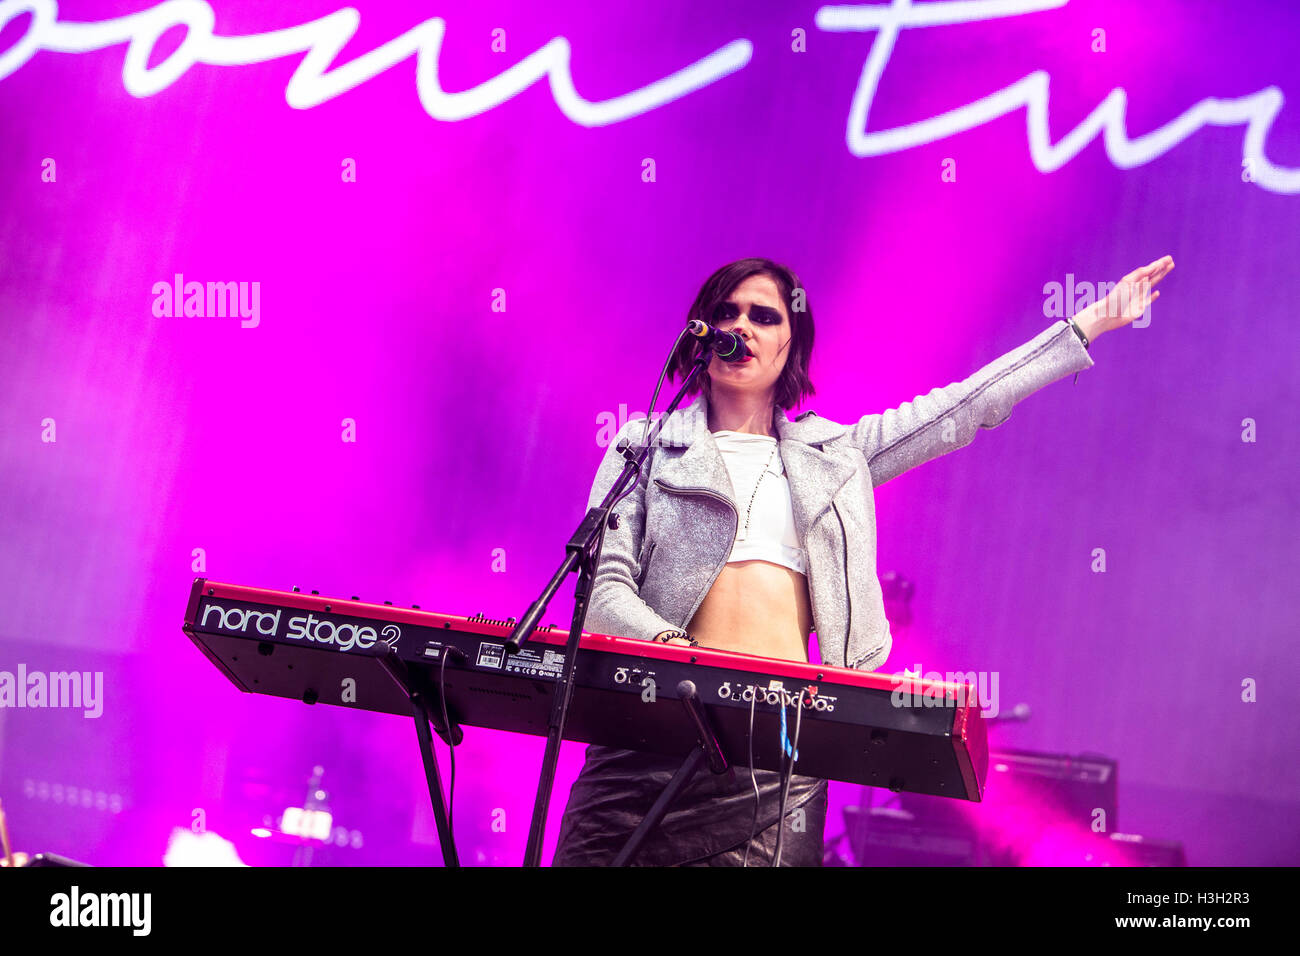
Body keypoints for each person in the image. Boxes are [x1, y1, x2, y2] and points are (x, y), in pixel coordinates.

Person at [551, 254, 1174, 866]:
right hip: (648, 735)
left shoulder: (835, 457)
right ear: (700, 333)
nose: (740, 326)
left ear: (791, 350)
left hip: (773, 759)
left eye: (764, 316)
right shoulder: (646, 446)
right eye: (725, 312)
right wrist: (672, 652)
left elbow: (959, 411)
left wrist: (1084, 326)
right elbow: (605, 589)